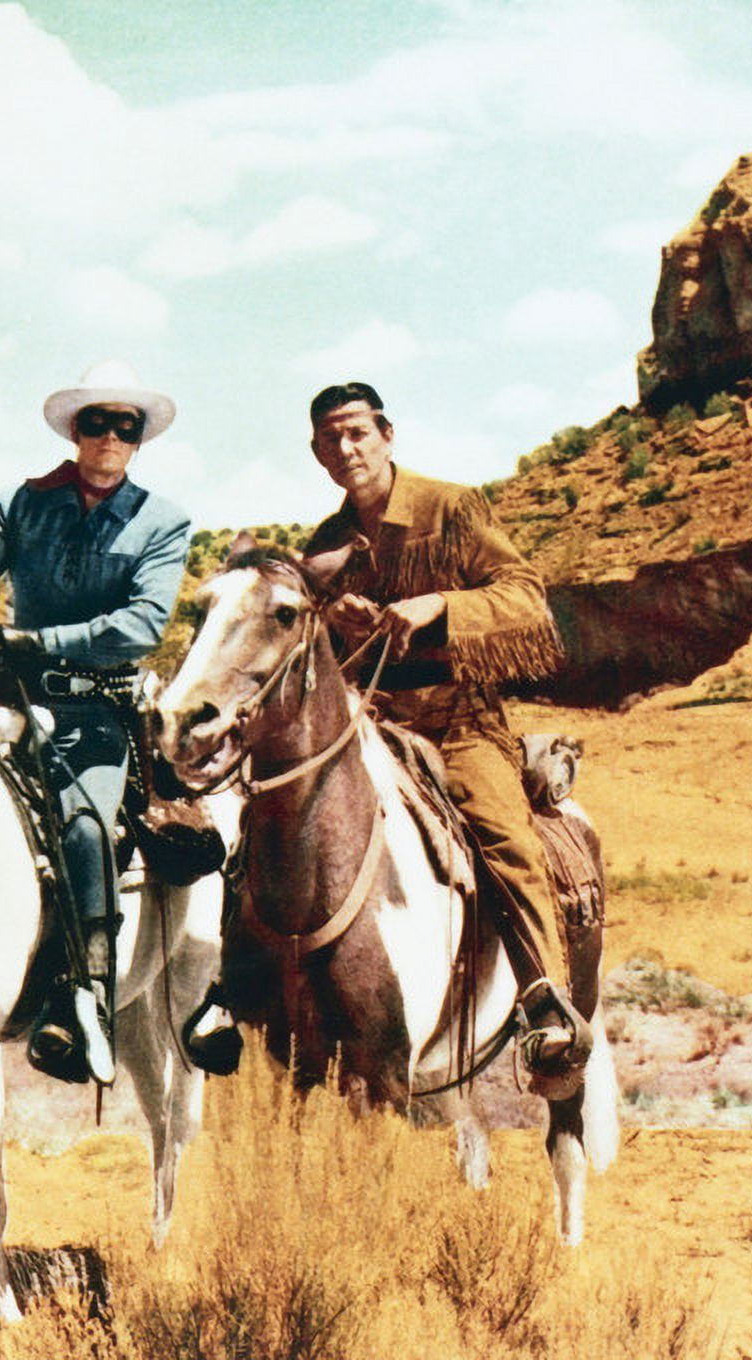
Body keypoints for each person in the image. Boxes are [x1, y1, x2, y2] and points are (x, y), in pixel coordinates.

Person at [0, 360, 192, 1084]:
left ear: (139, 439)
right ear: (76, 431)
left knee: (84, 827)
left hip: (95, 708)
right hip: (8, 698)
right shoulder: (25, 503)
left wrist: (42, 642)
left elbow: (143, 624)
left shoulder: (163, 521)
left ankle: (85, 994)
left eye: (127, 426)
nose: (111, 437)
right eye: (98, 422)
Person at [300, 380, 591, 1095]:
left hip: (459, 719)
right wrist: (337, 624)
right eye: (331, 439)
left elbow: (524, 593)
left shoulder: (450, 506)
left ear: (386, 434)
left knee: (502, 835)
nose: (347, 449)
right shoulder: (327, 545)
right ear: (317, 454)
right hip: (372, 726)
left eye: (358, 433)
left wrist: (438, 605)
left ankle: (546, 1005)